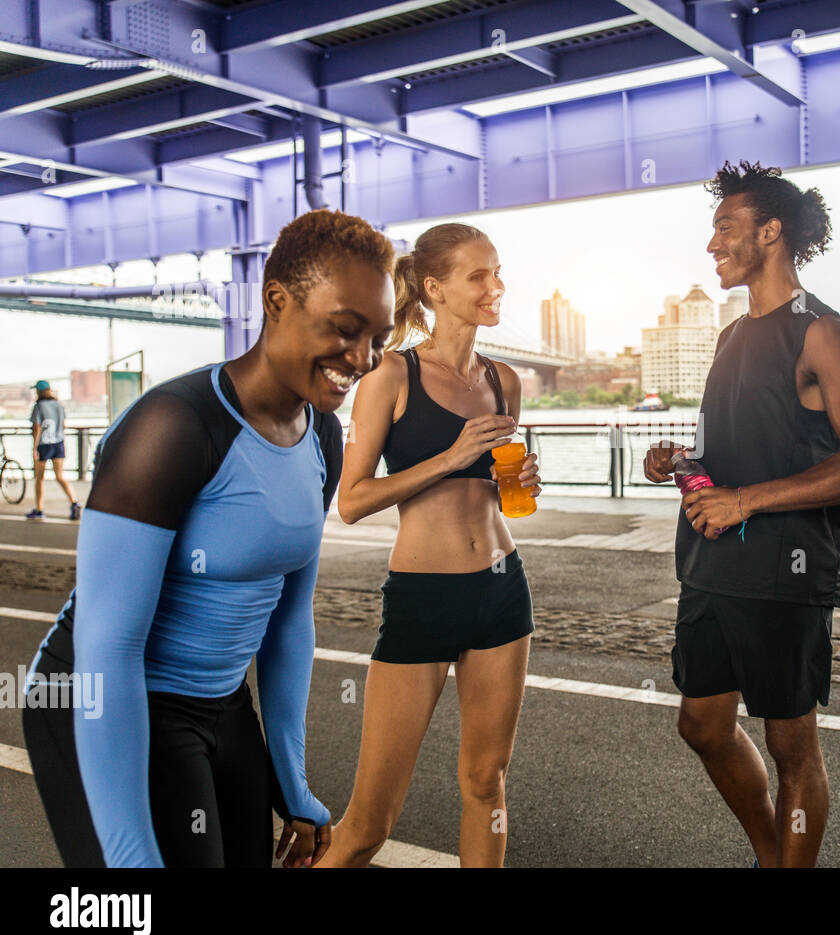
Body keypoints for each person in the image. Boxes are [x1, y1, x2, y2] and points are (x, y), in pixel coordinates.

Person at [22, 208, 395, 867]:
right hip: (105, 690)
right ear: (276, 301)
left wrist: (292, 782)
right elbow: (110, 648)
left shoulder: (323, 436)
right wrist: (133, 861)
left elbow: (287, 624)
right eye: (345, 330)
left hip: (220, 700)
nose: (362, 359)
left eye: (378, 339)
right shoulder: (171, 428)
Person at [643, 160, 840, 867]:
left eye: (726, 228)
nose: (713, 244)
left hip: (786, 572)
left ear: (771, 232)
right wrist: (682, 462)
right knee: (702, 724)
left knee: (791, 746)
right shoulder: (728, 337)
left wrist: (747, 500)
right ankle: (770, 852)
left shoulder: (821, 333)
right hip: (711, 566)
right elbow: (732, 453)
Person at [318, 223, 540, 869]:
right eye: (479, 275)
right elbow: (353, 500)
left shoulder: (505, 379)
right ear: (436, 288)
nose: (496, 286)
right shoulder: (391, 374)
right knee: (368, 823)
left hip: (502, 588)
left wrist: (515, 481)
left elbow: (494, 491)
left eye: (497, 271)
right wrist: (451, 456)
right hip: (423, 594)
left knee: (486, 781)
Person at [27, 380, 80, 521]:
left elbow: (37, 428)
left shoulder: (38, 406)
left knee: (39, 478)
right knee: (60, 476)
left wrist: (34, 448)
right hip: (58, 443)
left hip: (44, 445)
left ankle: (39, 509)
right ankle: (74, 502)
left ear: (38, 391)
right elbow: (63, 426)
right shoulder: (59, 405)